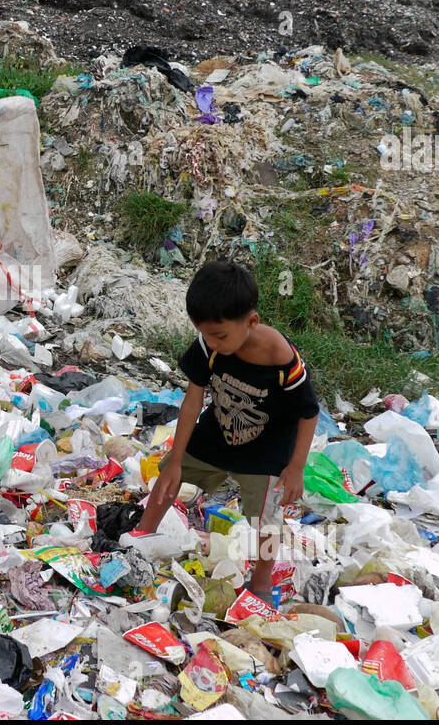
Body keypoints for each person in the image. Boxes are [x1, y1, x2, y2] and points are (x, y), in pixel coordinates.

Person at [129, 260, 319, 607]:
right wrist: (174, 461)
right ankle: (141, 536)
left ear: (251, 322)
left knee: (266, 517)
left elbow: (309, 412)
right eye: (204, 334)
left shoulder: (280, 357)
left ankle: (260, 586)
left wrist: (296, 468)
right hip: (218, 431)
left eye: (219, 336)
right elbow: (191, 402)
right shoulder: (208, 346)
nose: (212, 343)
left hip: (268, 447)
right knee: (171, 473)